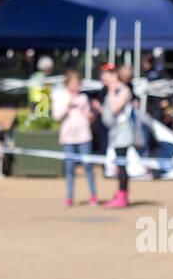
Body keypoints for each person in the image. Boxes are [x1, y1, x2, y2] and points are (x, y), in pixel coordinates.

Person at [52, 70, 99, 206]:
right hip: (68, 138)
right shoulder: (60, 96)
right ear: (67, 83)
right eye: (73, 83)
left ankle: (93, 196)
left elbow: (89, 118)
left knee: (87, 166)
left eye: (78, 83)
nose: (75, 86)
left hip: (84, 136)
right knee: (69, 168)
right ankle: (70, 197)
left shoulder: (83, 98)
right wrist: (68, 104)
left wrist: (90, 115)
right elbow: (57, 116)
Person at [101, 65, 135, 208]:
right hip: (115, 132)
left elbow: (115, 108)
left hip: (123, 132)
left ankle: (122, 196)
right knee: (118, 165)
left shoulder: (124, 90)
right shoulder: (116, 90)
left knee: (122, 165)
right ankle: (121, 193)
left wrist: (111, 91)